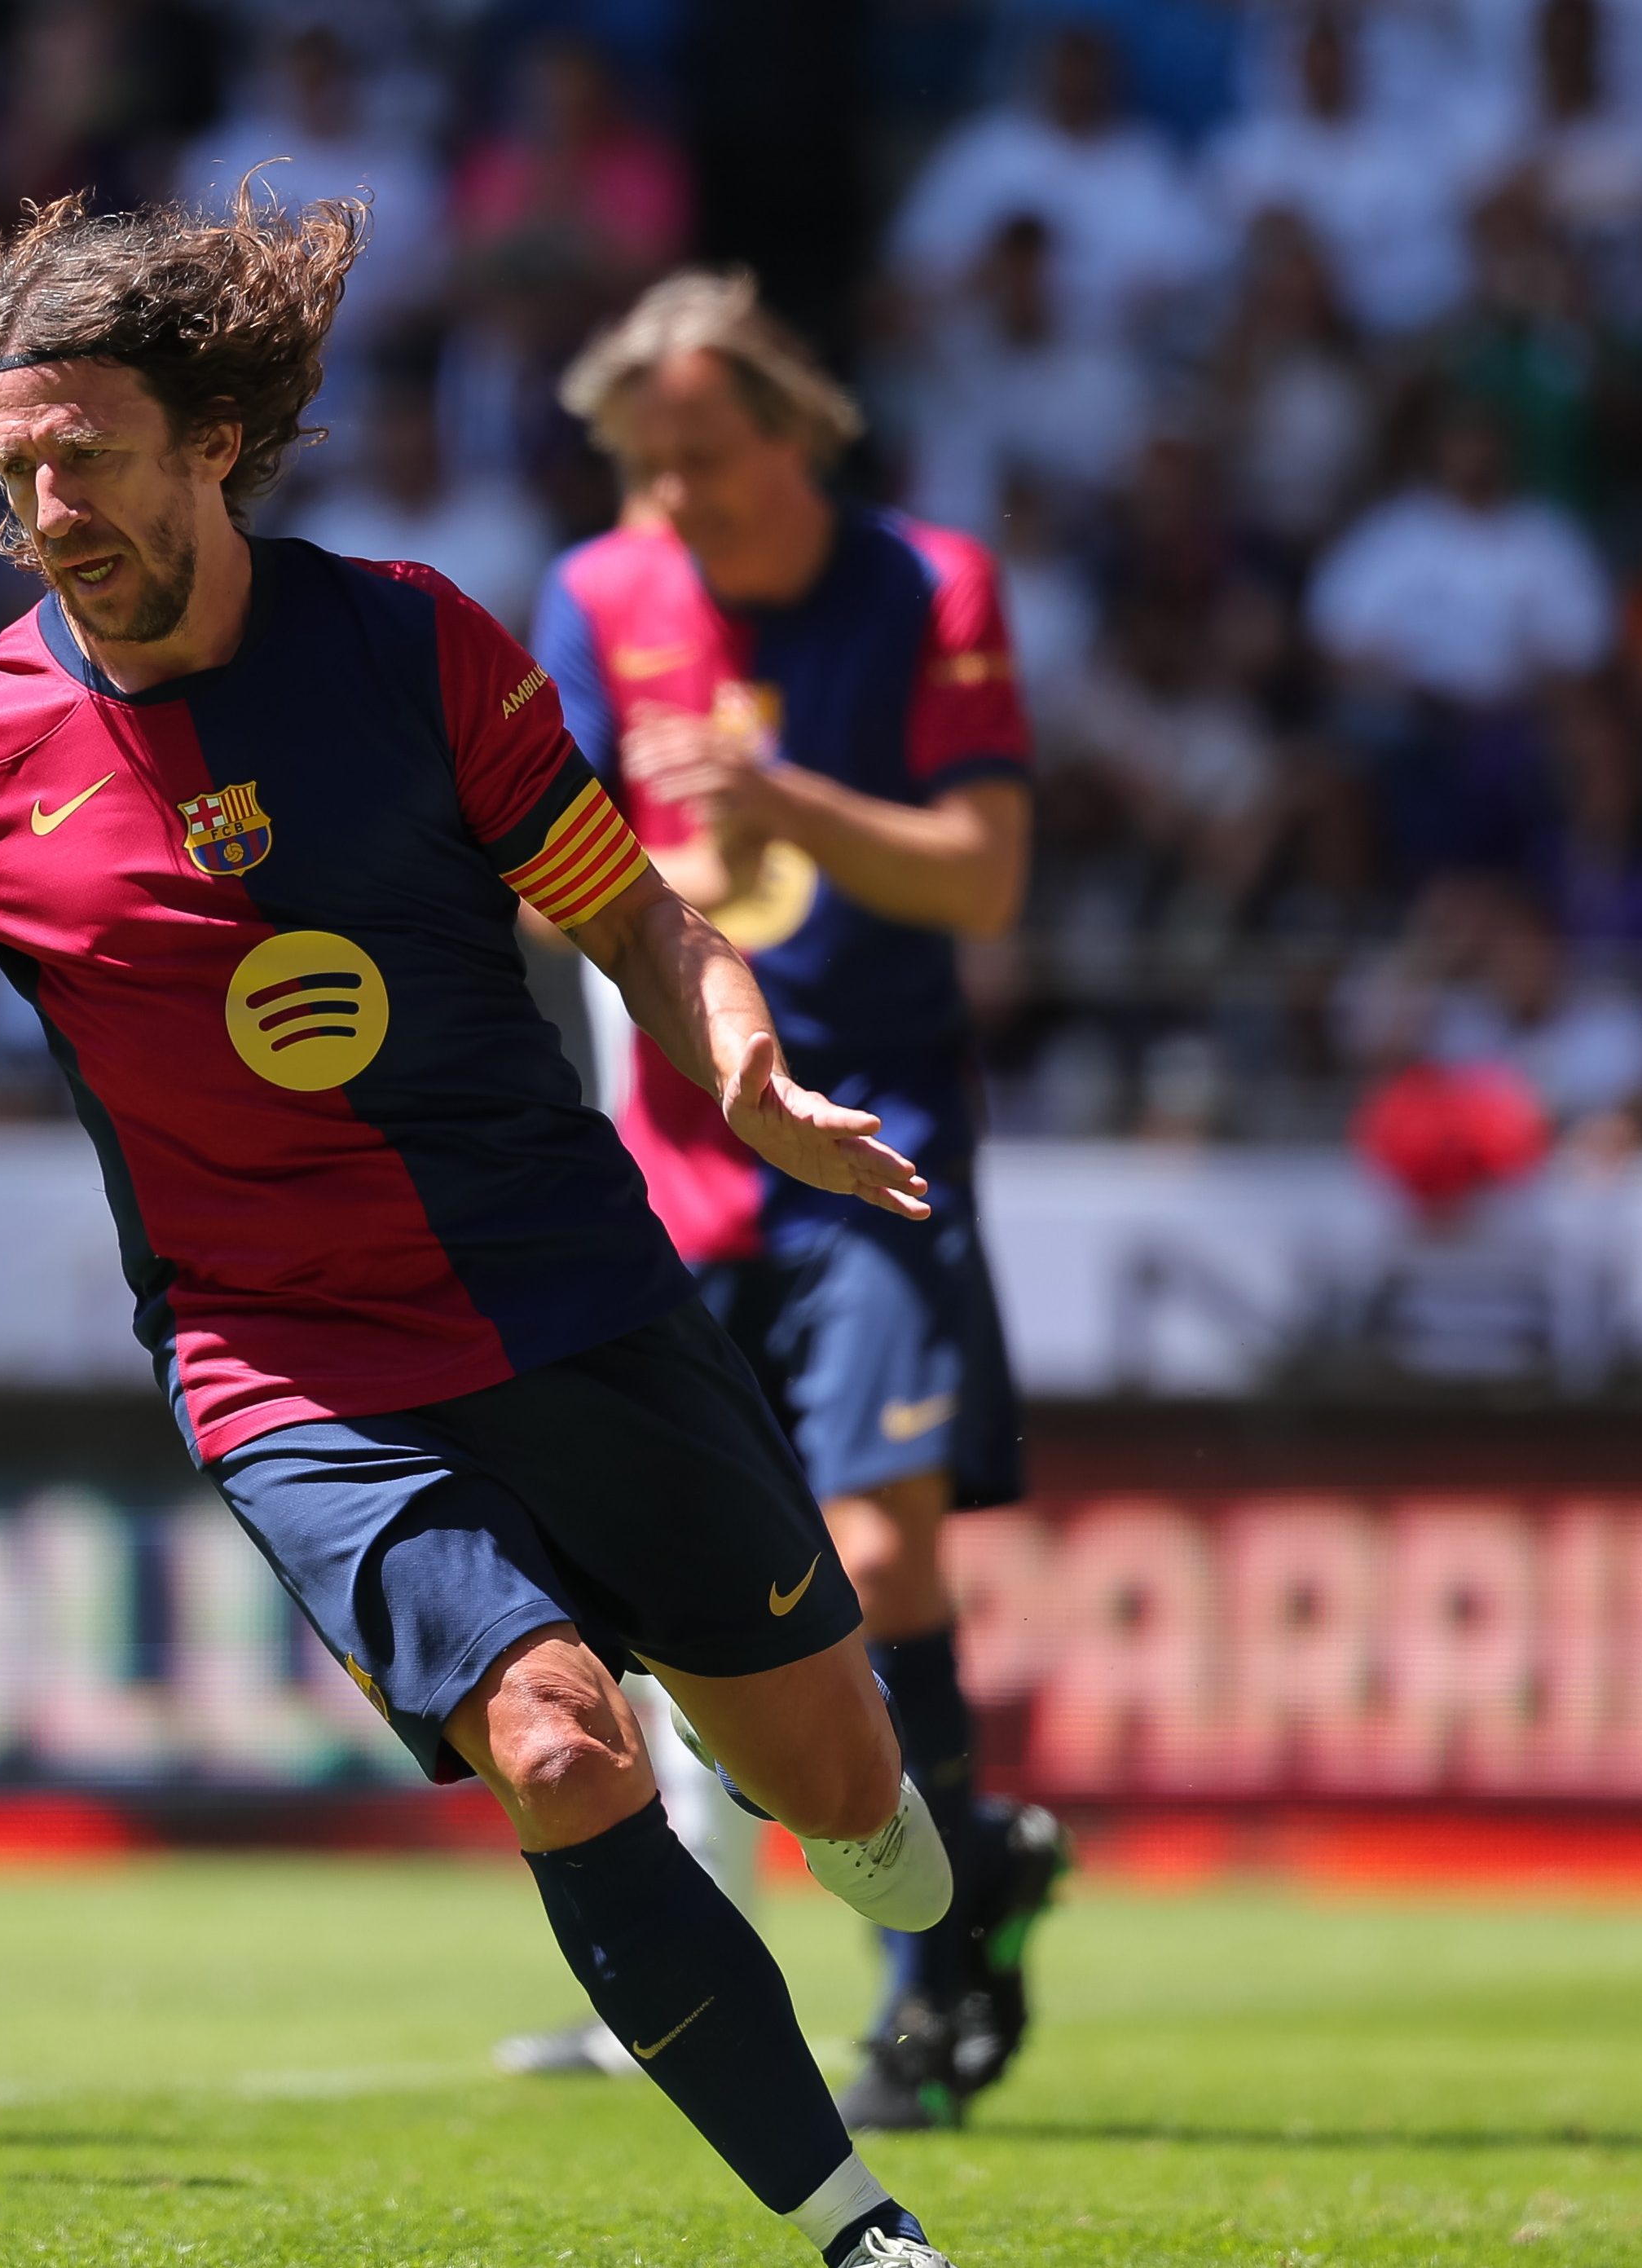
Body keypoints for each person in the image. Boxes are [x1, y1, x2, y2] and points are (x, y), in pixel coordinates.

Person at [0, 187, 962, 2268]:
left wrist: (733, 1062)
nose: (44, 500)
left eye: (82, 450)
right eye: (11, 464)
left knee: (833, 1793)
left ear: (210, 440)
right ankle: (851, 2225)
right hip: (288, 1362)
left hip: (571, 1292)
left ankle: (884, 1823)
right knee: (555, 1739)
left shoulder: (412, 646)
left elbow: (632, 911)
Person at [522, 267, 1064, 2134]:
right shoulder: (595, 595)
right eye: (645, 464)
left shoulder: (930, 587)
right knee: (690, 1592)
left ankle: (929, 1981)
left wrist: (779, 799)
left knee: (890, 1550)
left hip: (874, 1129)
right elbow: (531, 876)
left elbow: (982, 882)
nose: (676, 495)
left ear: (795, 433)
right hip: (669, 1155)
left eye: (707, 453)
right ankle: (961, 1864)